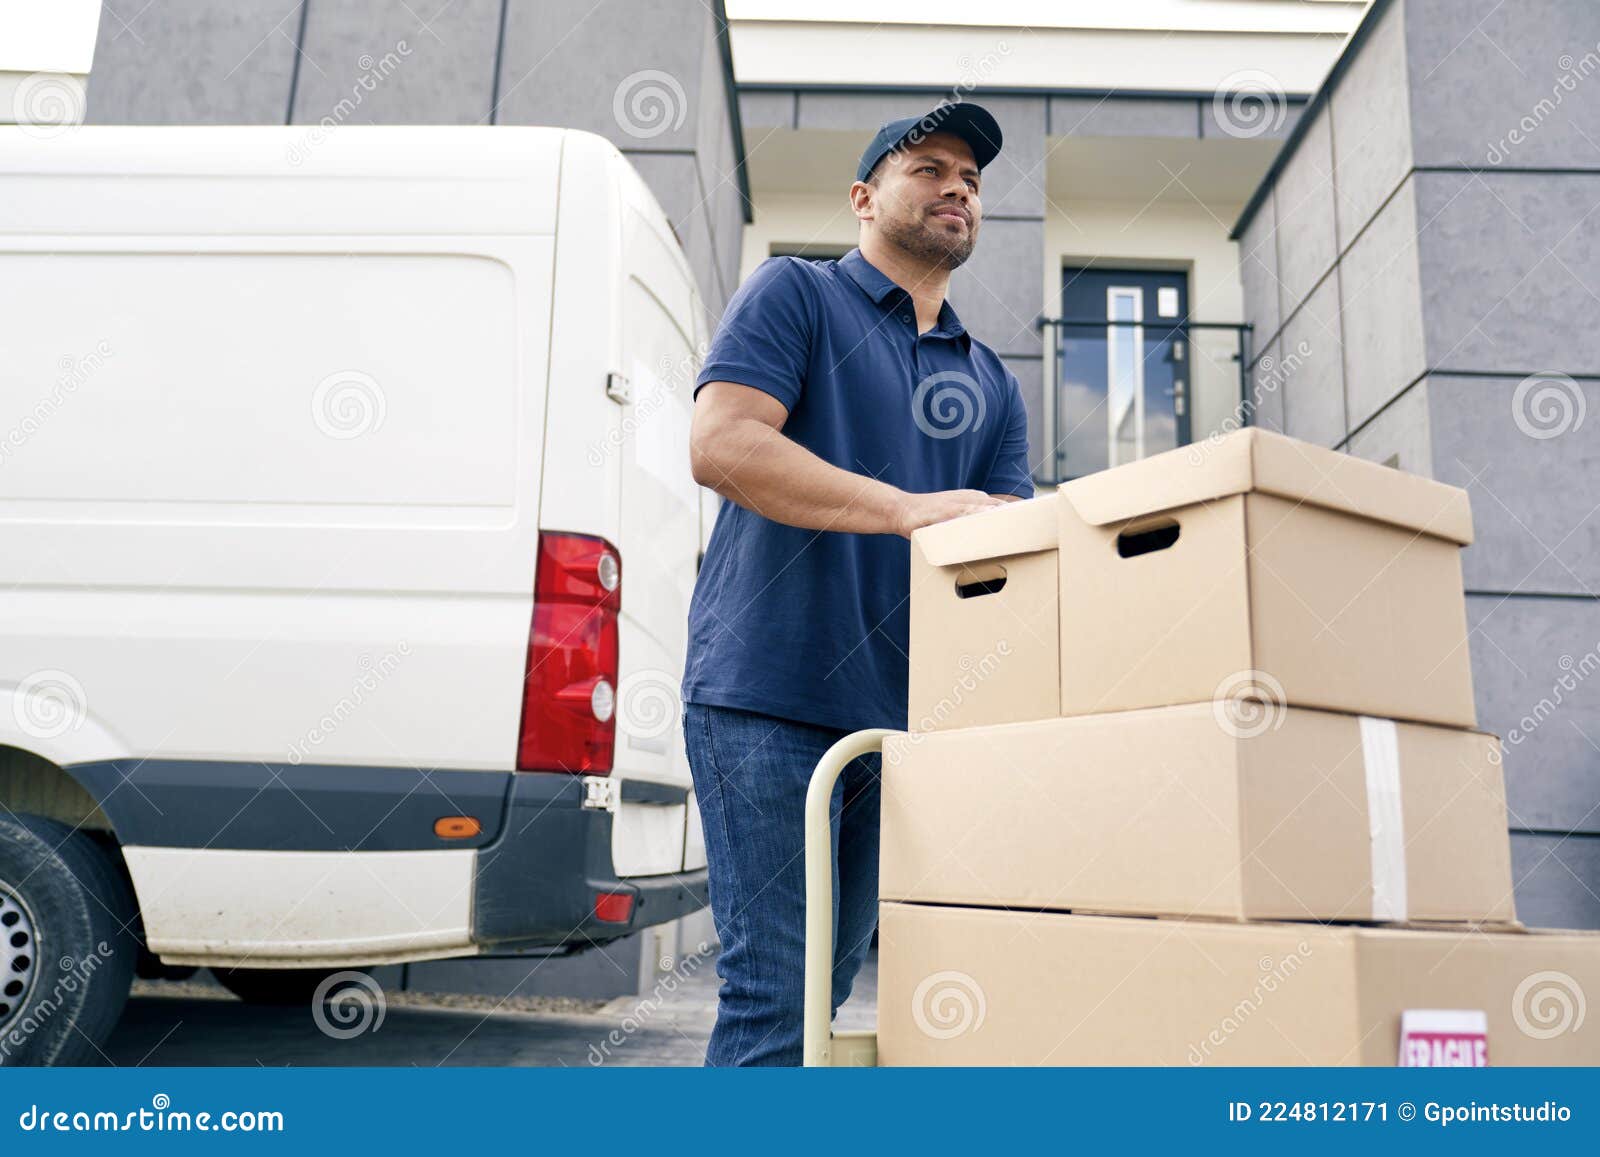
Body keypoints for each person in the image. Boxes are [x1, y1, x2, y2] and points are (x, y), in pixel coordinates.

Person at [681, 101, 1034, 1066]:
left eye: (971, 178)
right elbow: (722, 444)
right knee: (774, 997)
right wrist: (905, 508)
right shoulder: (796, 294)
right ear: (863, 197)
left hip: (901, 725)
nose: (958, 187)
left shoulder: (992, 382)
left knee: (827, 994)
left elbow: (1005, 560)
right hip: (765, 697)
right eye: (929, 169)